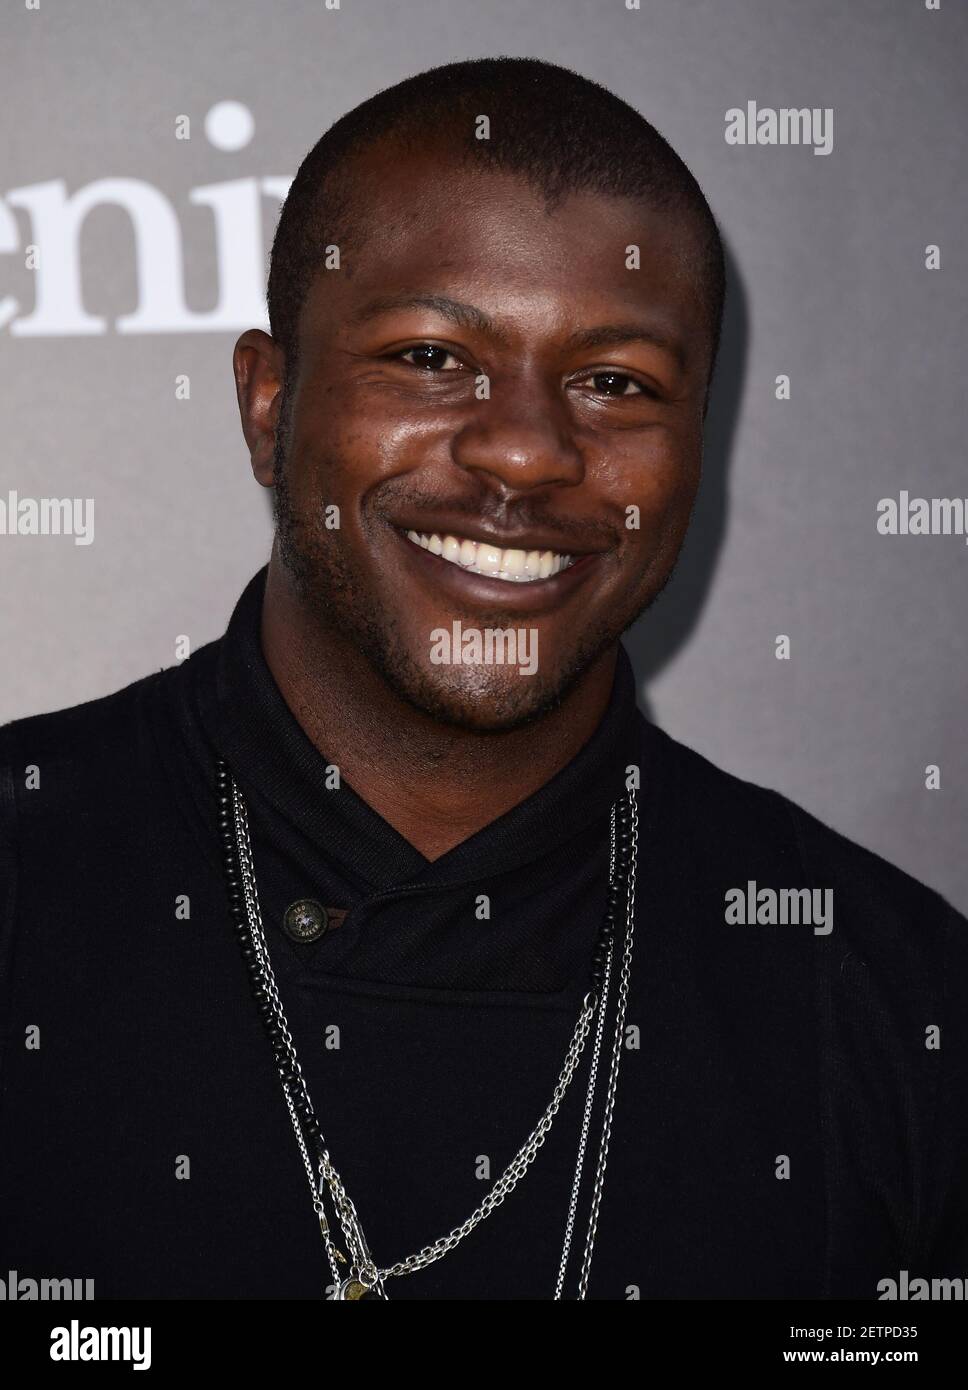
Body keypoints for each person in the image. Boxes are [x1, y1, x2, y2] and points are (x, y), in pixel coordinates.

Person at [1, 57, 965, 1301]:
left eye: (613, 382)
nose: (523, 448)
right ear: (267, 403)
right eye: (430, 357)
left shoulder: (889, 999)